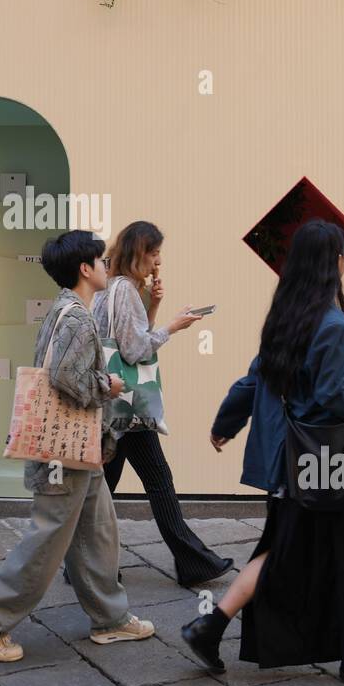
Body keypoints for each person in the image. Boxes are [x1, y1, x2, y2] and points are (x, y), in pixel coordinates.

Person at [180, 220, 344, 686]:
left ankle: (210, 626)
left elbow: (254, 380)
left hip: (289, 462)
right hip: (330, 465)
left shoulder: (285, 317)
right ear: (337, 263)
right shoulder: (332, 325)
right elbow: (337, 399)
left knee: (282, 549)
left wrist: (226, 423)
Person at [0, 230, 155, 662]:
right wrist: (108, 385)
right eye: (101, 261)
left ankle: (110, 619)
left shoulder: (66, 309)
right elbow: (66, 378)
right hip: (64, 451)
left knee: (98, 532)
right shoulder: (77, 319)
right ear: (85, 269)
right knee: (47, 540)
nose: (107, 267)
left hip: (80, 448)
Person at [93, 221, 232, 587]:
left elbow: (130, 339)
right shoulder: (124, 289)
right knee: (158, 482)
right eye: (153, 253)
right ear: (138, 253)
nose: (158, 261)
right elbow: (135, 350)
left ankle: (87, 566)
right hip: (129, 405)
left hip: (115, 404)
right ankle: (194, 563)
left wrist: (152, 305)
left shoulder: (111, 285)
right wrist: (173, 327)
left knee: (104, 487)